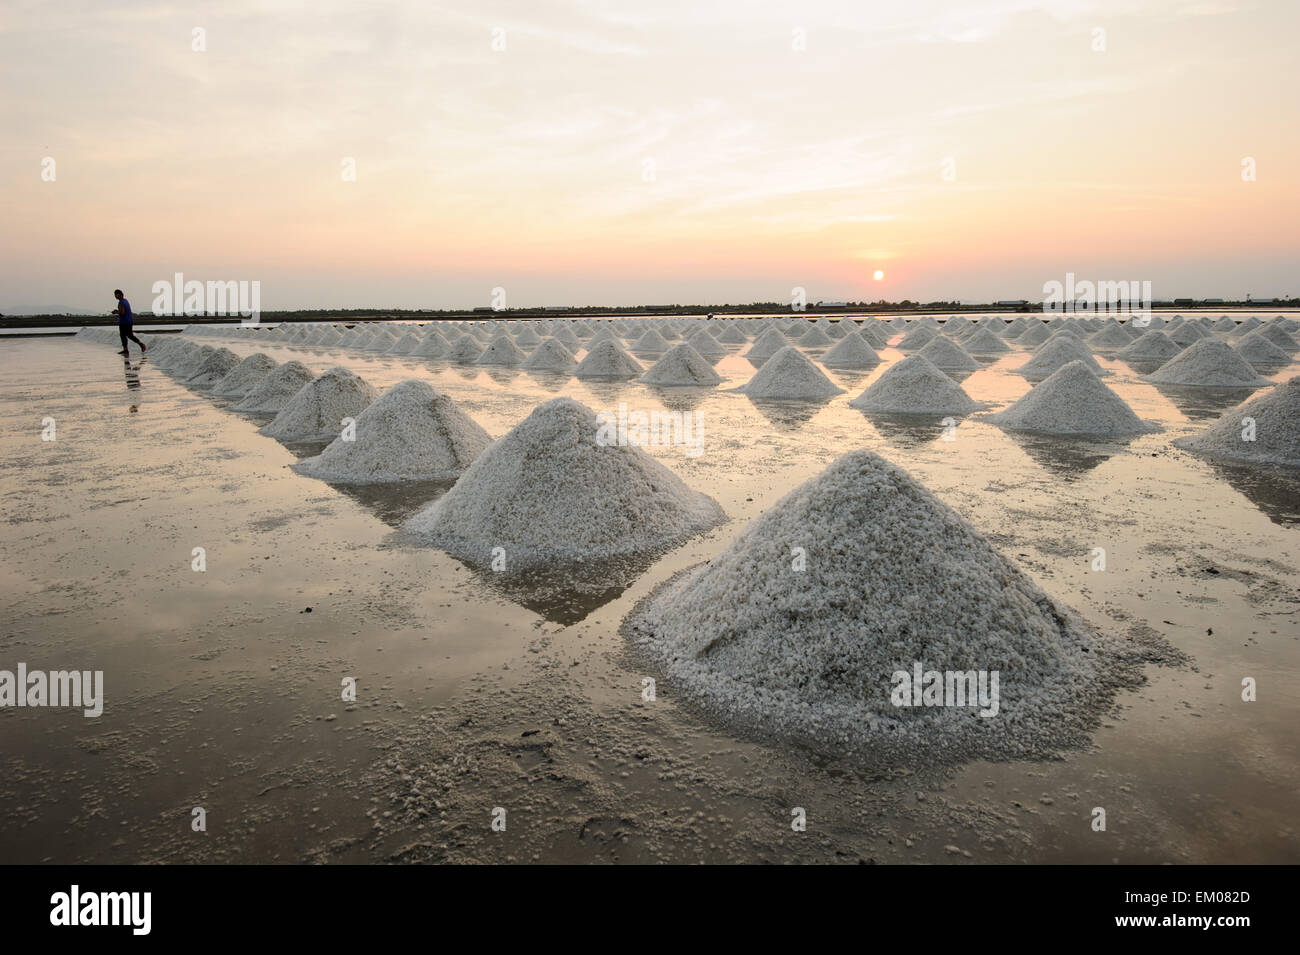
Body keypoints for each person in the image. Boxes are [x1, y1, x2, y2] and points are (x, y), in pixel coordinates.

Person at [113, 289, 146, 355]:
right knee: (129, 335)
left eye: (116, 294)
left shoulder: (121, 302)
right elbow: (123, 311)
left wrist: (115, 312)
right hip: (129, 321)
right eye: (115, 294)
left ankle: (138, 345)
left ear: (120, 294)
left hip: (124, 322)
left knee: (124, 336)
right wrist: (118, 311)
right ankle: (130, 348)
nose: (115, 296)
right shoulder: (125, 301)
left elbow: (122, 312)